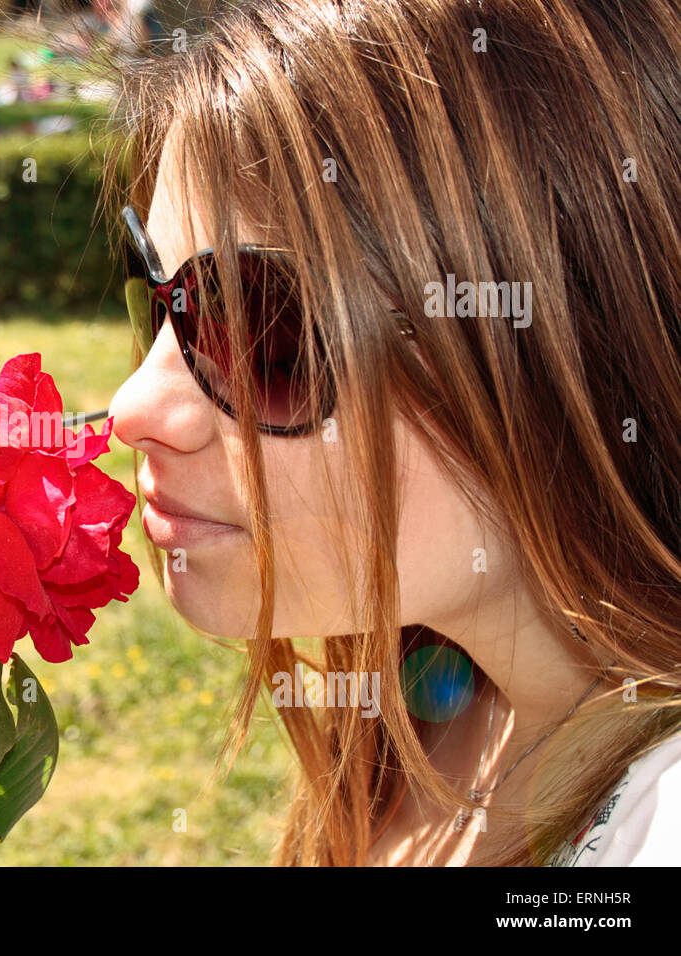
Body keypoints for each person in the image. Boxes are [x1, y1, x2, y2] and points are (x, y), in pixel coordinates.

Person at [94, 0, 681, 865]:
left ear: (566, 350)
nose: (129, 412)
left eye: (268, 331)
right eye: (166, 296)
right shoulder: (429, 695)